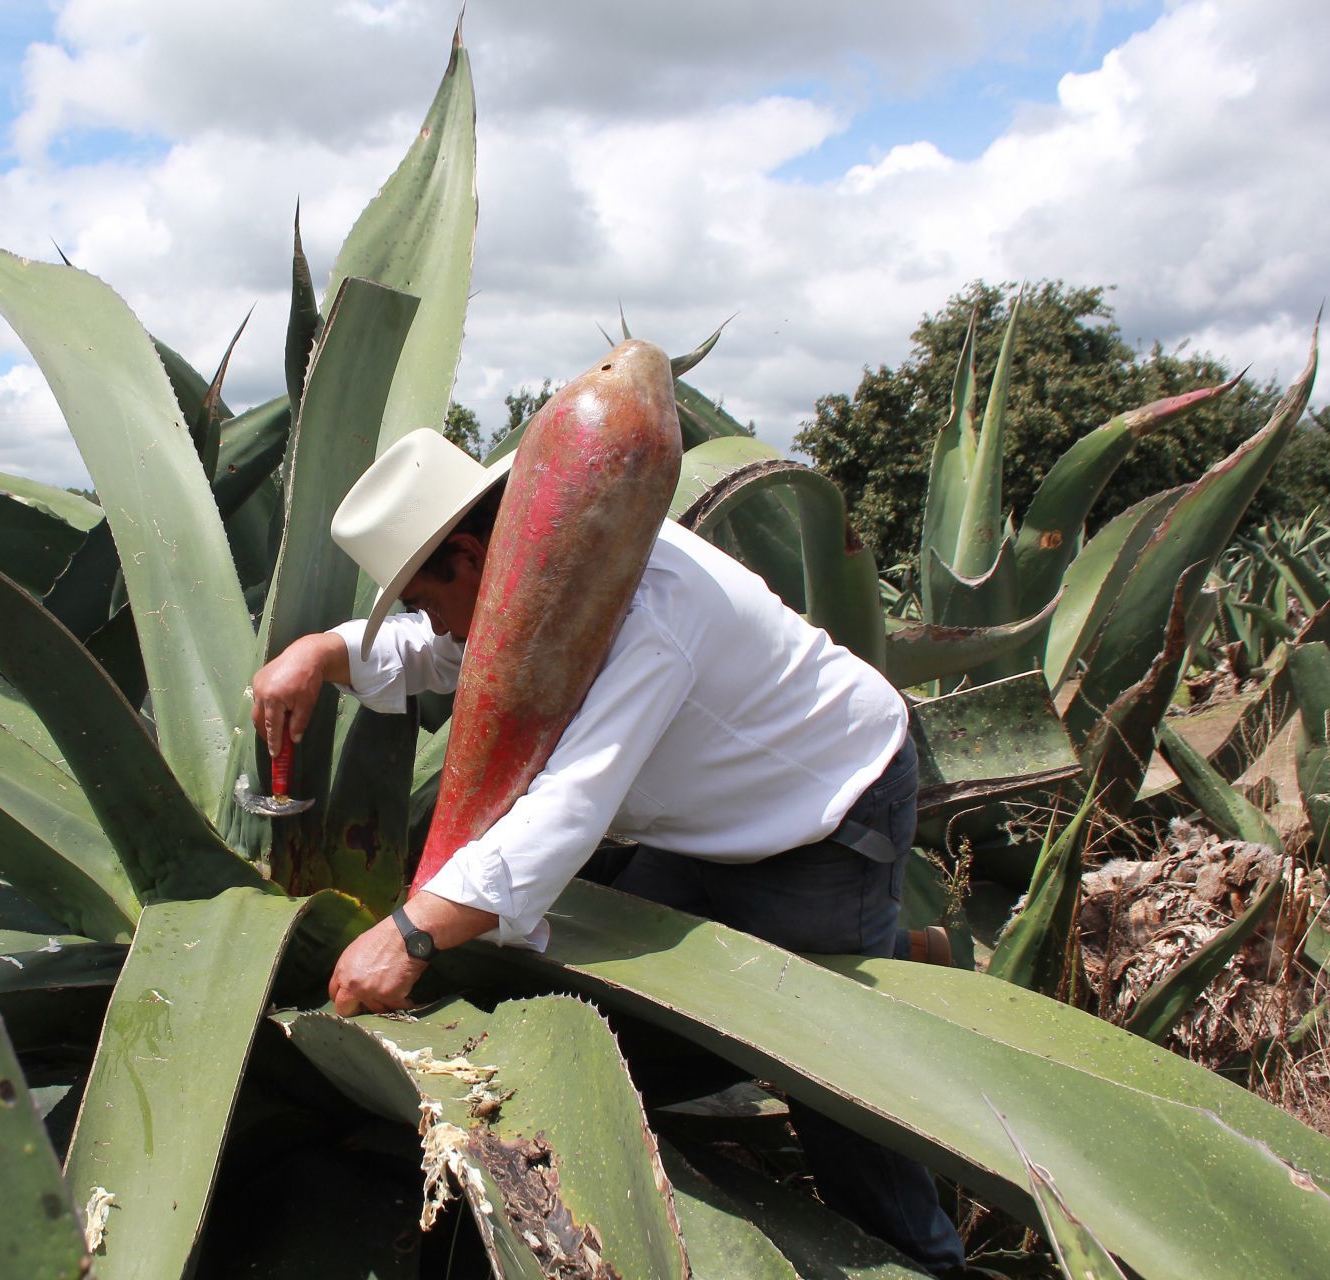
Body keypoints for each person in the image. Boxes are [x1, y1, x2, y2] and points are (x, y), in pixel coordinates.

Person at [249, 427, 969, 1274]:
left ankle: (927, 1257)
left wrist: (409, 934)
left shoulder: (647, 607)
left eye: (424, 595)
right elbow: (444, 650)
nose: (431, 619)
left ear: (471, 558)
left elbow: (570, 804)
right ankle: (898, 958)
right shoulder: (543, 567)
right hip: (698, 821)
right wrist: (320, 653)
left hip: (815, 814)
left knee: (822, 1064)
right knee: (627, 1002)